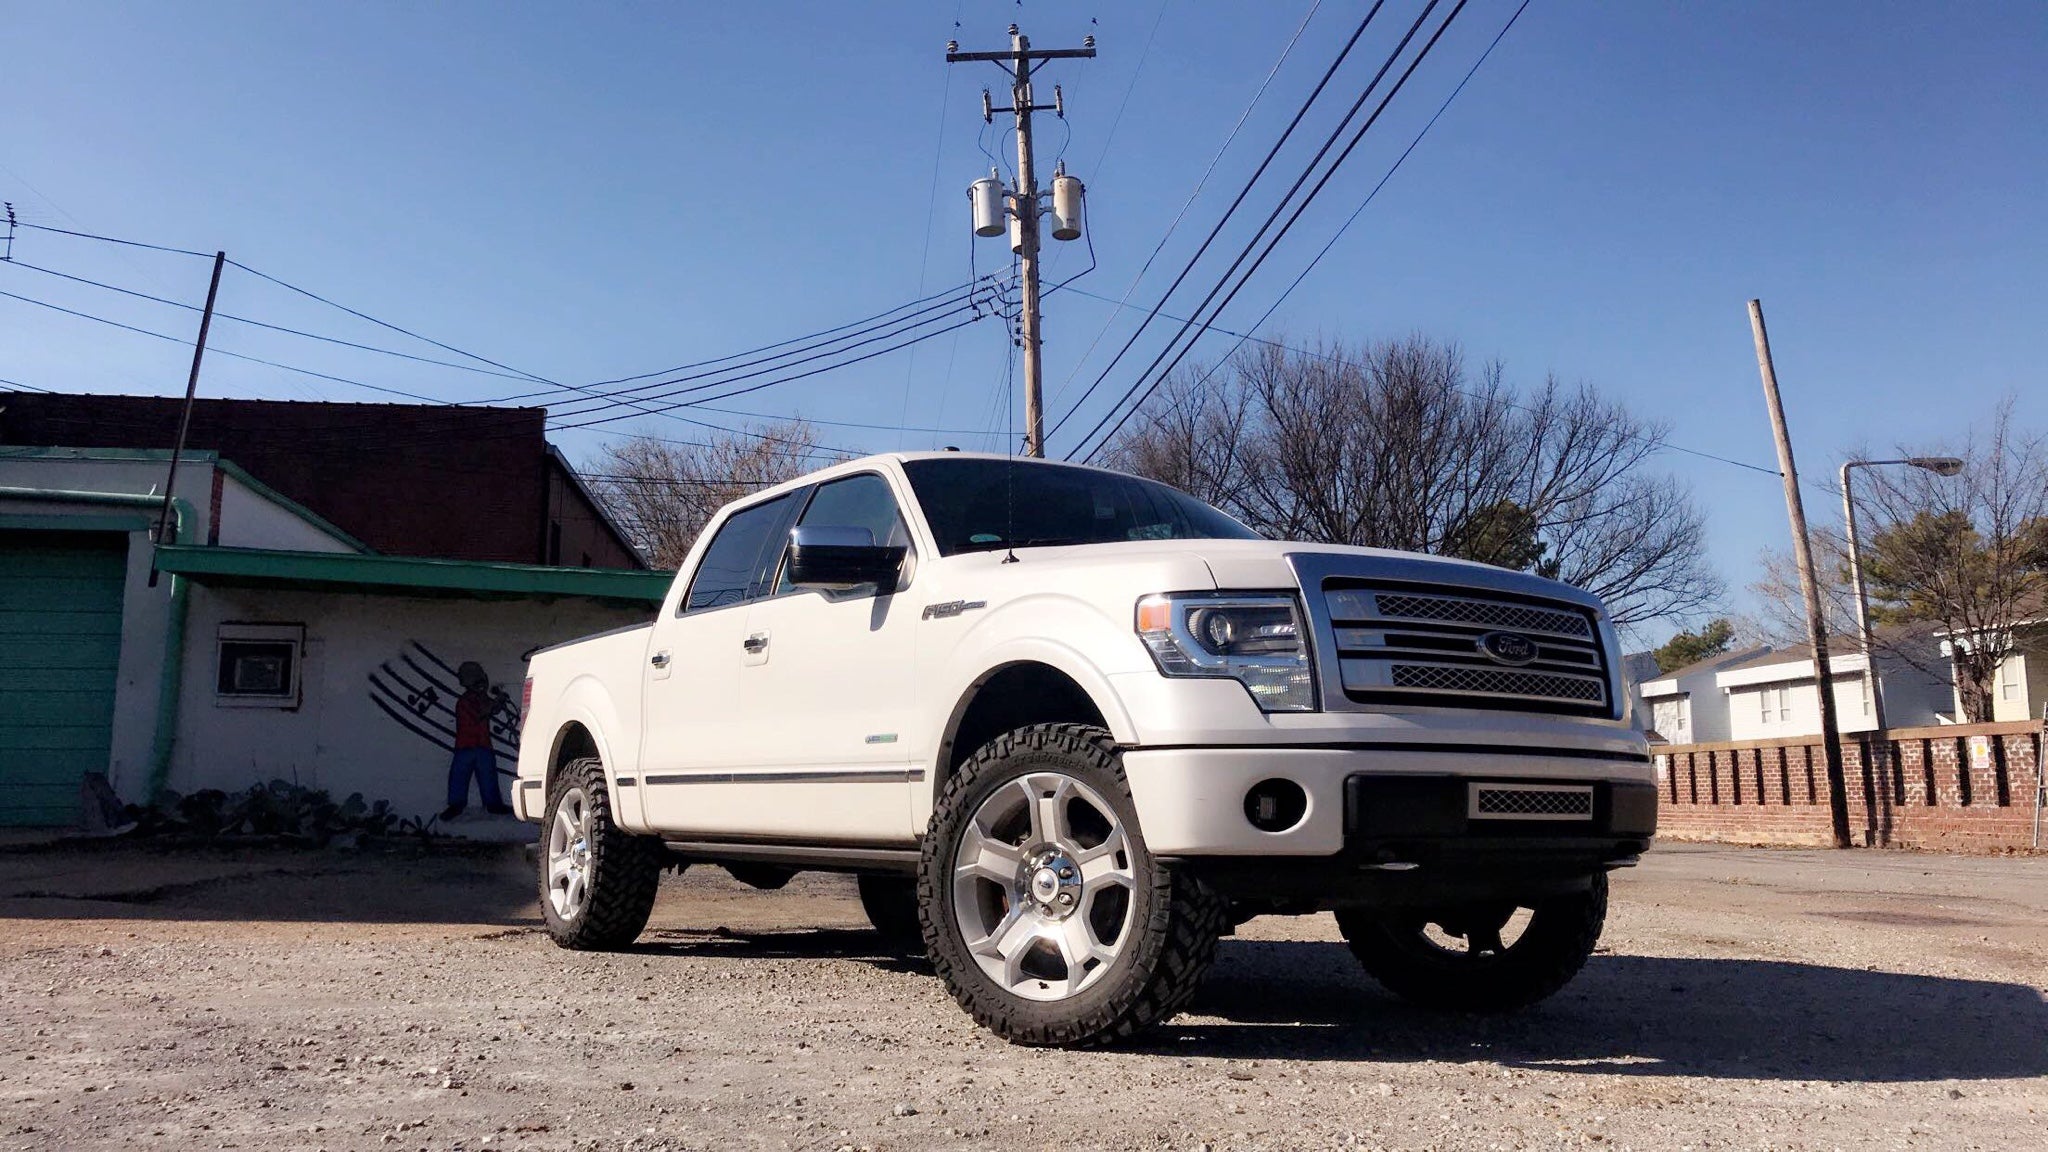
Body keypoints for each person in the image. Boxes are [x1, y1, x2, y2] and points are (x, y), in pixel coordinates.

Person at [442, 661, 512, 820]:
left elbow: (492, 709)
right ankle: (456, 805)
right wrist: (495, 702)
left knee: (488, 775)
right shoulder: (464, 702)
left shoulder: (482, 698)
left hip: (483, 745)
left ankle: (493, 804)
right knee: (460, 775)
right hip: (466, 746)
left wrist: (499, 702)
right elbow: (481, 713)